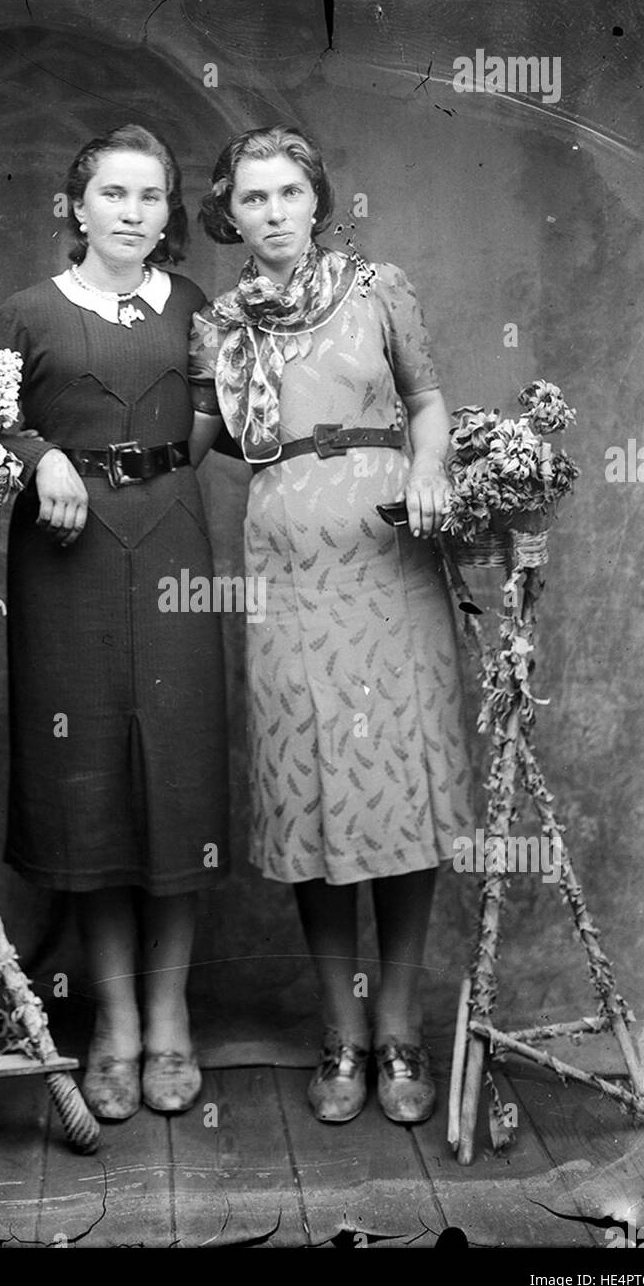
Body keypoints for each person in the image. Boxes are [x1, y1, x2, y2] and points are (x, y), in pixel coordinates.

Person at [188, 126, 474, 1125]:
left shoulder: (375, 288)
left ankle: (398, 1030)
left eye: (288, 194)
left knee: (396, 784)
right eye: (252, 199)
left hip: (388, 554)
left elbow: (428, 402)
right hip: (281, 564)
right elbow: (196, 438)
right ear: (230, 214)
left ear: (317, 201)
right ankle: (340, 1034)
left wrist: (429, 471)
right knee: (310, 793)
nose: (271, 213)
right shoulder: (223, 323)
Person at [0, 123, 229, 1121]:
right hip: (63, 560)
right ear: (75, 207)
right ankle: (112, 1026)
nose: (131, 212)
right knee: (95, 787)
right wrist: (42, 456)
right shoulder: (27, 314)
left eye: (150, 197)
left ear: (167, 213)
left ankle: (171, 1023)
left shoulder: (194, 307)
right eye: (112, 194)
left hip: (171, 544)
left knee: (180, 772)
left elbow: (211, 427)